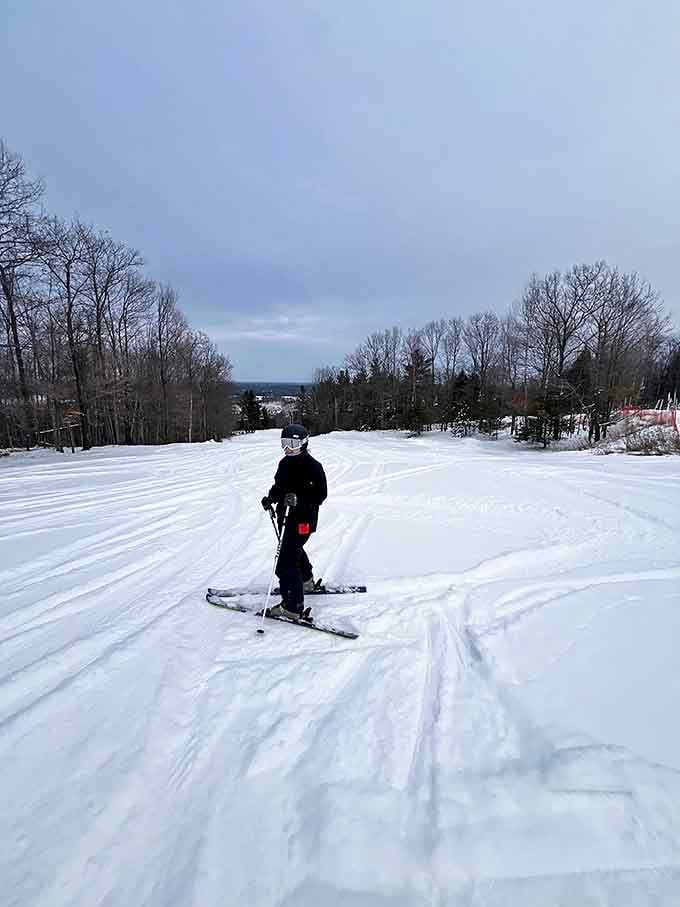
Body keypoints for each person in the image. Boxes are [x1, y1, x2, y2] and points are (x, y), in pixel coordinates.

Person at [261, 424, 327, 619]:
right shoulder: (284, 464)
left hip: (302, 521)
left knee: (284, 562)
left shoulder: (313, 467)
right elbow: (279, 486)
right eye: (284, 443)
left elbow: (320, 495)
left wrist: (299, 500)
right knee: (293, 550)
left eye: (293, 443)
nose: (288, 448)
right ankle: (306, 581)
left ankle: (292, 606)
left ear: (304, 443)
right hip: (285, 517)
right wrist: (271, 498)